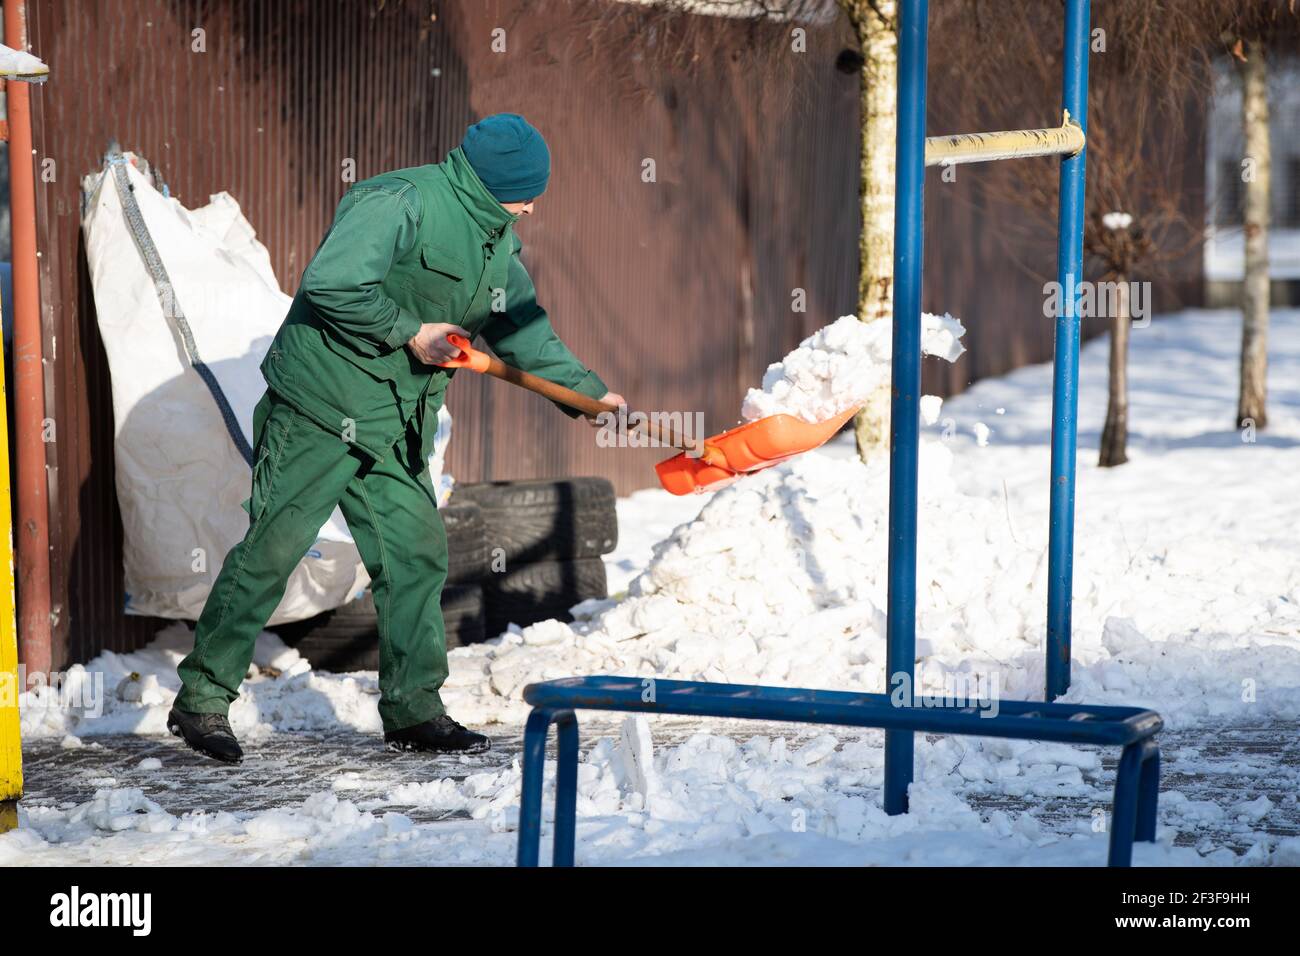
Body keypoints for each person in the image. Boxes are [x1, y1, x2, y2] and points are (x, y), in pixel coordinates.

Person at [168, 113, 624, 763]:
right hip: (320, 404)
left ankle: (414, 710)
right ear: (495, 183)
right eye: (526, 191)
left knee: (414, 554)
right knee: (275, 549)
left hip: (392, 420)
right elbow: (331, 283)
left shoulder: (496, 243)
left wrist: (587, 394)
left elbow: (523, 330)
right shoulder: (398, 201)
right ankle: (202, 700)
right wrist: (410, 330)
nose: (533, 204)